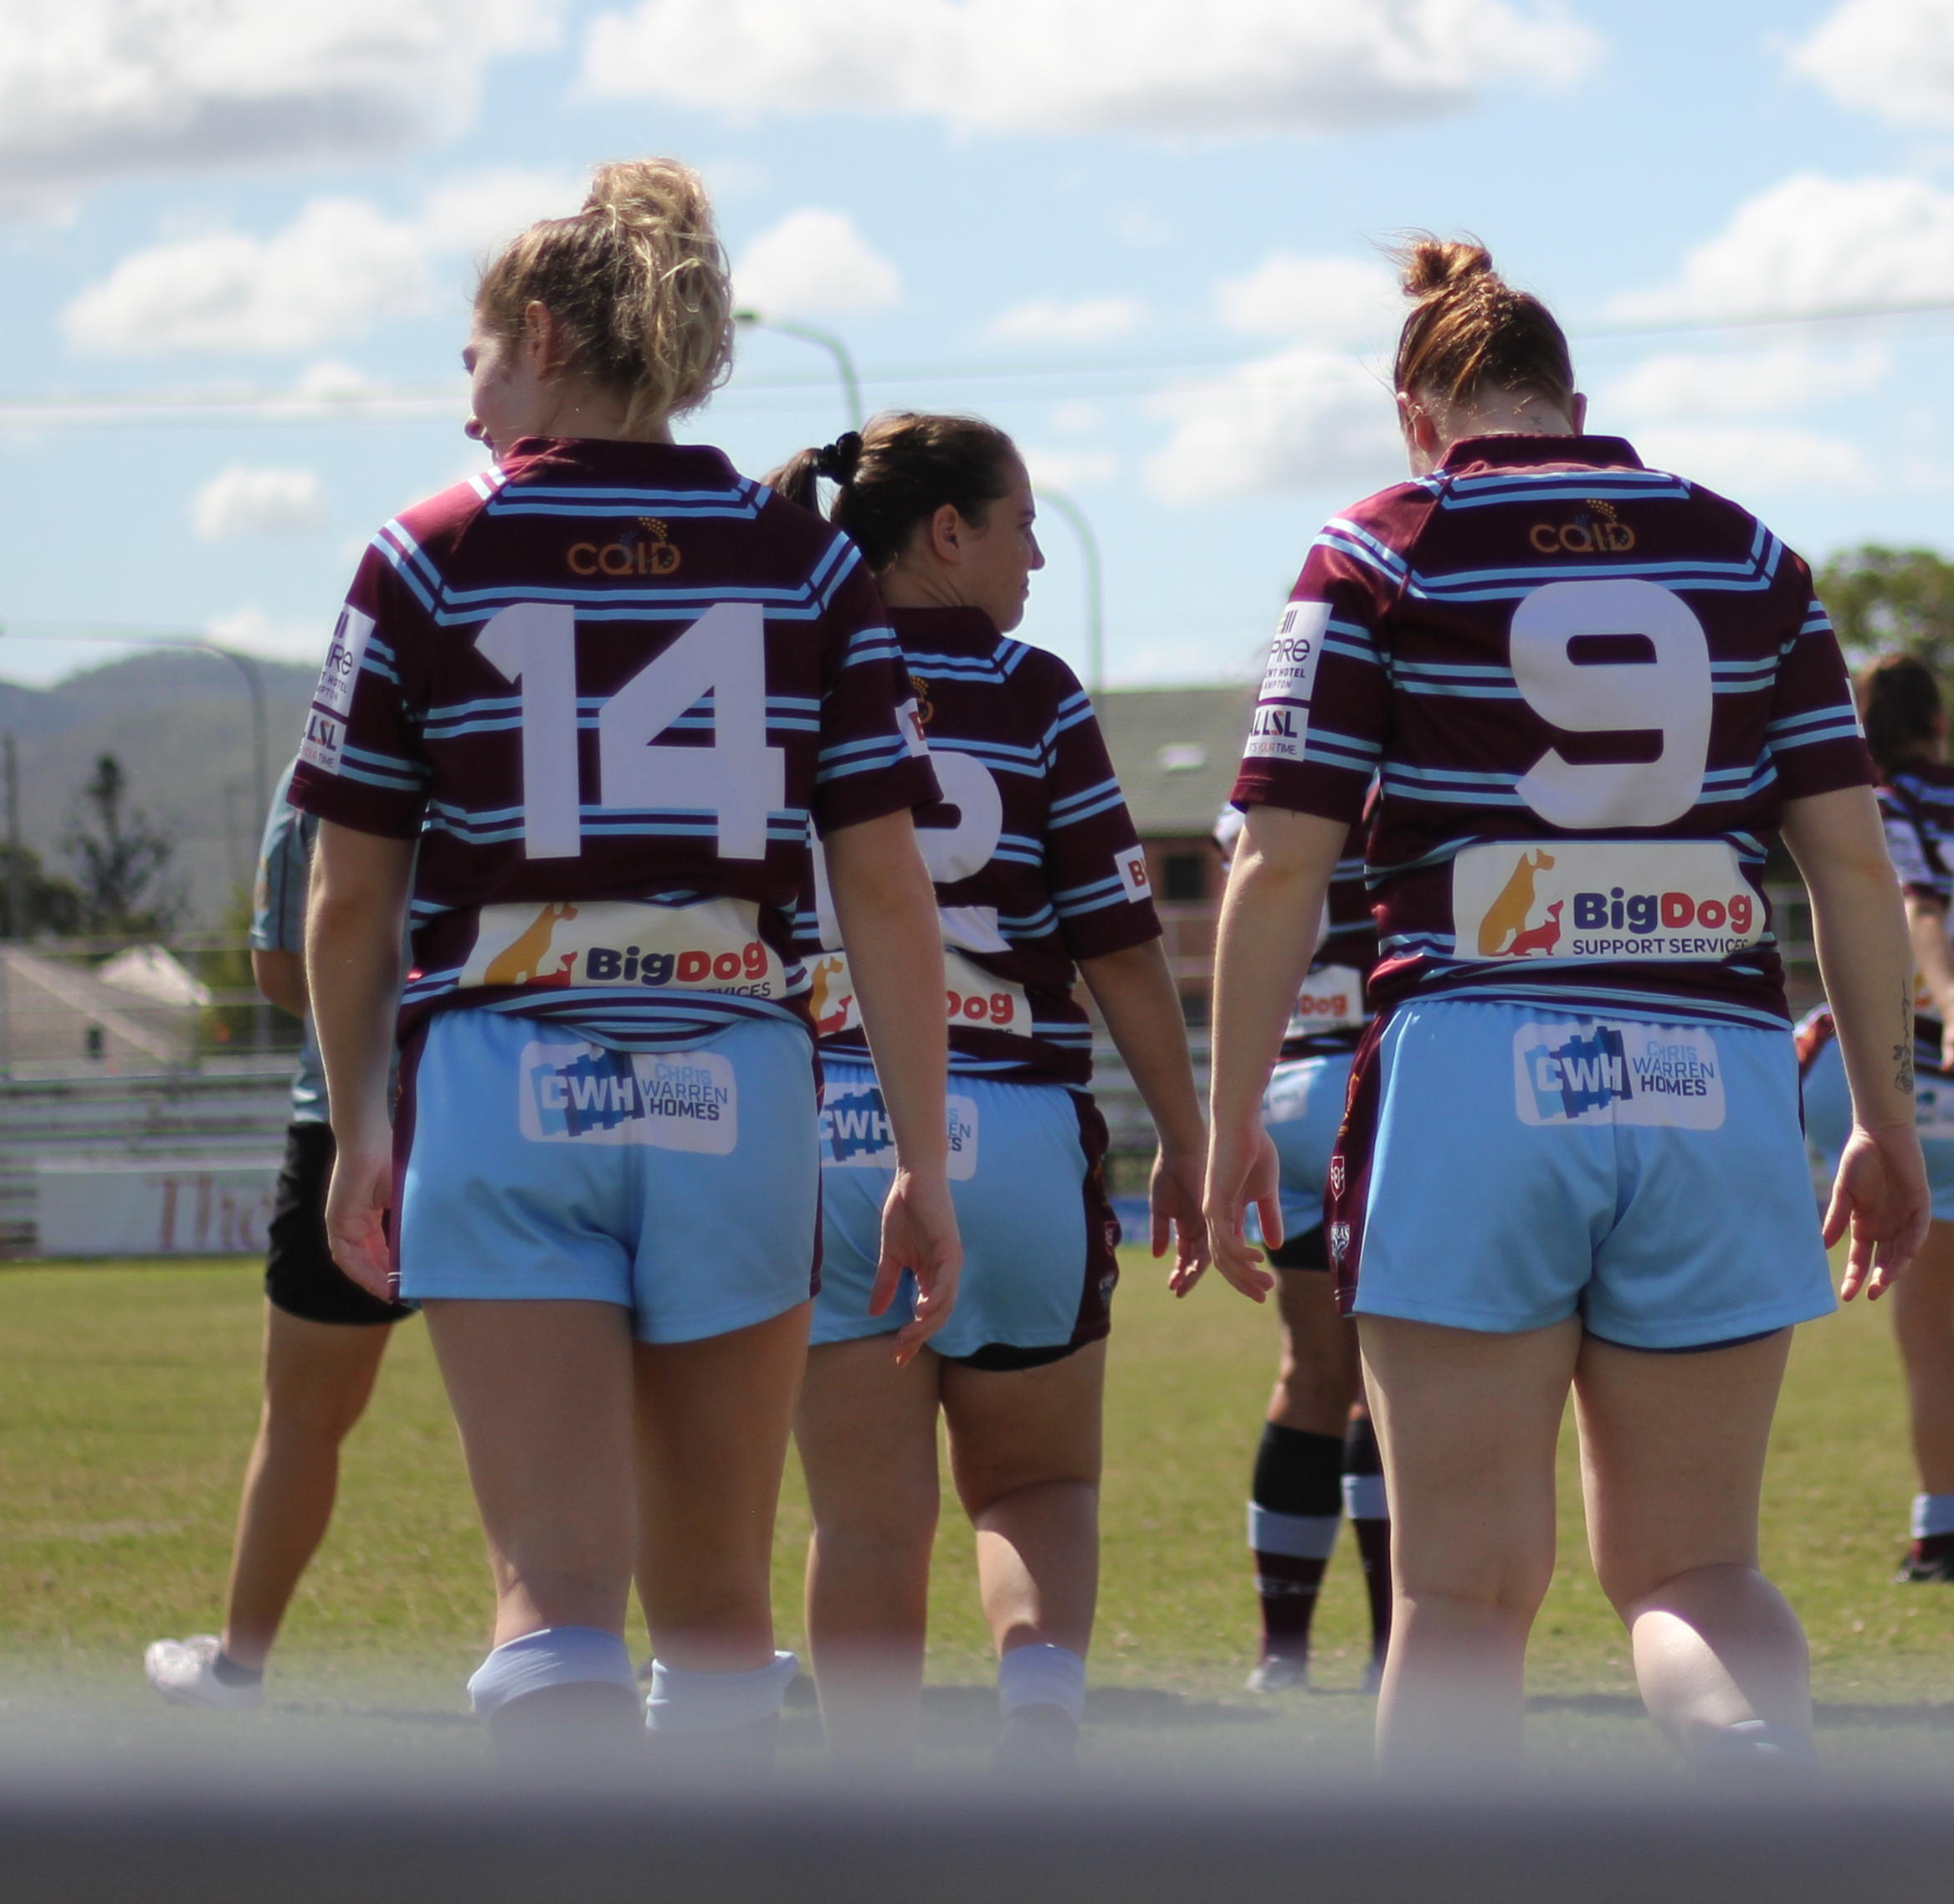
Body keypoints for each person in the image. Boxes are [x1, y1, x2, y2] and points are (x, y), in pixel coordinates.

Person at [1201, 237, 1930, 1773]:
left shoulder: (1381, 543)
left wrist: (1223, 1123)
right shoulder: (1744, 549)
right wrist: (1881, 1116)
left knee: (1460, 1596)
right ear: (1579, 402)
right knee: (1695, 1571)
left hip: (1474, 1060)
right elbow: (1851, 868)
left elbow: (1274, 865)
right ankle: (1760, 1774)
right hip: (1714, 1064)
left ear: (1417, 410)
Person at [293, 159, 964, 1756]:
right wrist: (923, 1159)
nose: (468, 406)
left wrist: (360, 1123)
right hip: (737, 1071)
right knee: (722, 1604)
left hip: (508, 1066)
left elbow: (347, 892)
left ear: (536, 332)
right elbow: (886, 889)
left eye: (473, 360)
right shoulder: (802, 560)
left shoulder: (426, 550)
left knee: (553, 1596)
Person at [773, 412, 1213, 1764]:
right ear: (948, 532)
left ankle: (872, 1800)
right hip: (1015, 1129)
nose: (1034, 550)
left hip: (835, 1126)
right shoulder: (1033, 690)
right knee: (1035, 1478)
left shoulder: (794, 678)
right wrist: (1191, 1138)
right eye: (1021, 520)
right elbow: (1121, 945)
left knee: (862, 1518)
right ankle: (1037, 1730)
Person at [146, 781, 414, 1708]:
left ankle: (239, 1665)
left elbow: (276, 966)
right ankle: (613, 1657)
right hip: (514, 1105)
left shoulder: (328, 755)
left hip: (350, 1119)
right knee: (572, 1409)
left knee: (302, 1417)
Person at [1795, 654, 1954, 1588]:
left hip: (1890, 1060)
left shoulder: (1878, 800)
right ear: (1937, 723)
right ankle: (1940, 1534)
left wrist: (1953, 1000)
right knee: (1931, 1330)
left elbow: (1914, 910)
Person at [1241, 800, 1396, 1691]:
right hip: (1374, 1080)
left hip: (1287, 1080)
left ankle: (1282, 1656)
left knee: (1309, 1372)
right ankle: (1392, 1652)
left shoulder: (1266, 786)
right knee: (1389, 1381)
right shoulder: (1409, 749)